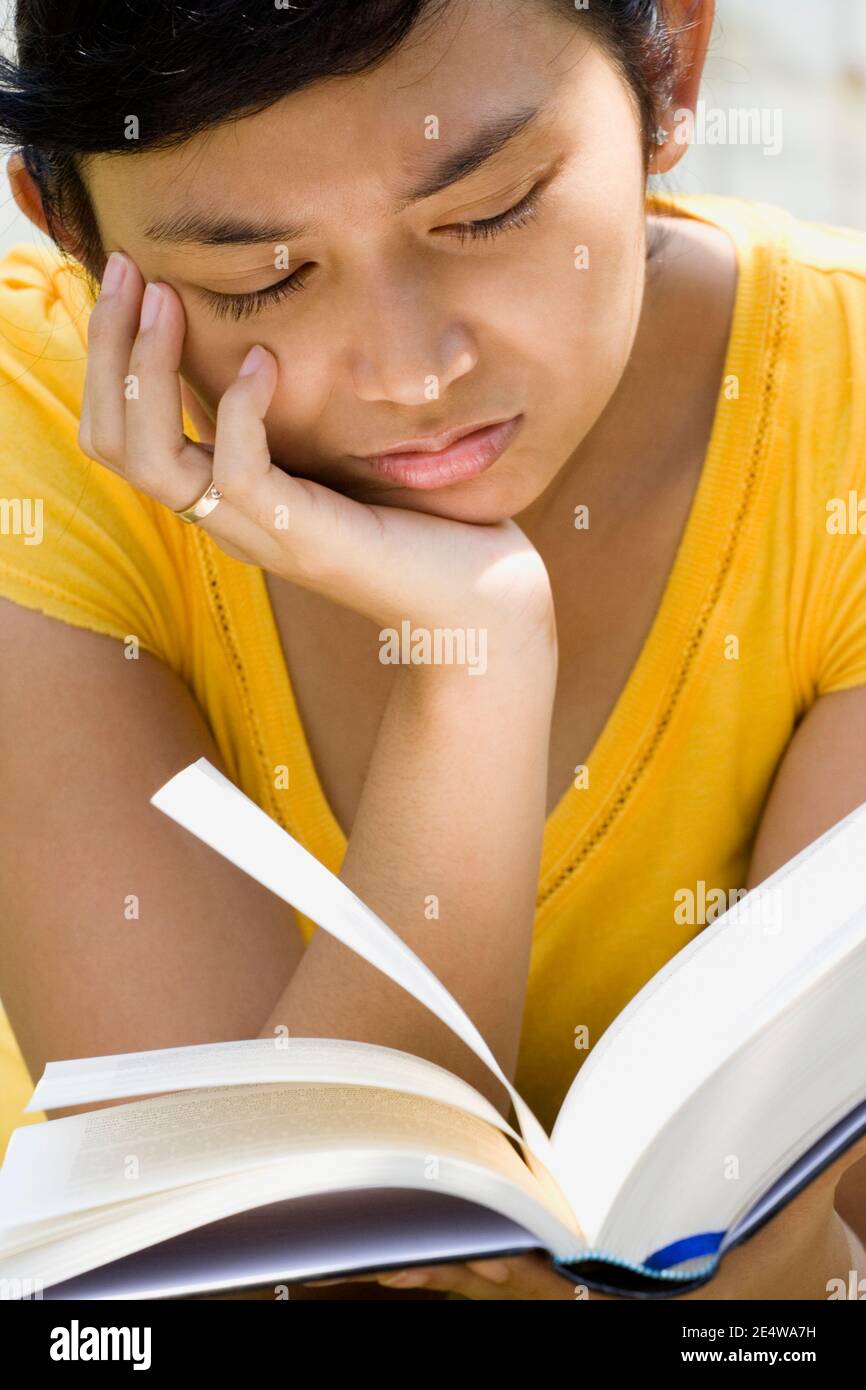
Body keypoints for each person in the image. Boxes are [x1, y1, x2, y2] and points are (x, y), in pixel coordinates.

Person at [0, 0, 864, 1301]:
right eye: (261, 280)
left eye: (488, 212)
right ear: (70, 235)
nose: (411, 372)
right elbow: (236, 1287)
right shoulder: (32, 438)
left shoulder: (836, 423)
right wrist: (470, 662)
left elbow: (810, 1241)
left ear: (673, 67)